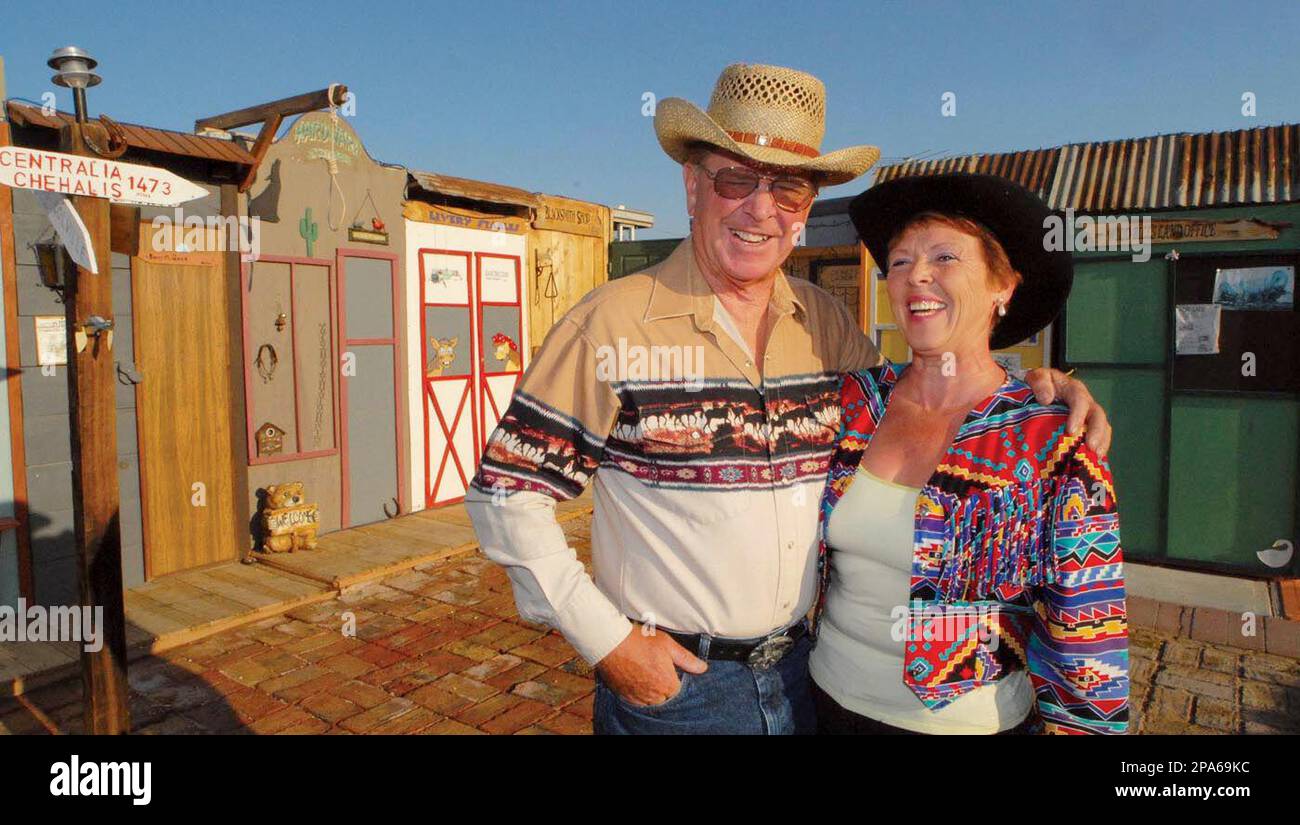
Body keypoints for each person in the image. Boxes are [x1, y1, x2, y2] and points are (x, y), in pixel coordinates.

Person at [465, 64, 1110, 735]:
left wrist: (1037, 388)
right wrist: (611, 645)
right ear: (692, 185)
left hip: (807, 680)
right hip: (680, 692)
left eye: (789, 188)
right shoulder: (610, 324)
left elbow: (931, 388)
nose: (761, 208)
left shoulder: (825, 326)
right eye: (736, 179)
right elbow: (506, 495)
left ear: (805, 208)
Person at [809, 173, 1129, 734]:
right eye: (901, 261)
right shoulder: (854, 402)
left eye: (944, 257)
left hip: (963, 723)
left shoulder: (1051, 440)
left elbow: (1087, 628)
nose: (917, 276)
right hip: (824, 699)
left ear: (1002, 287)